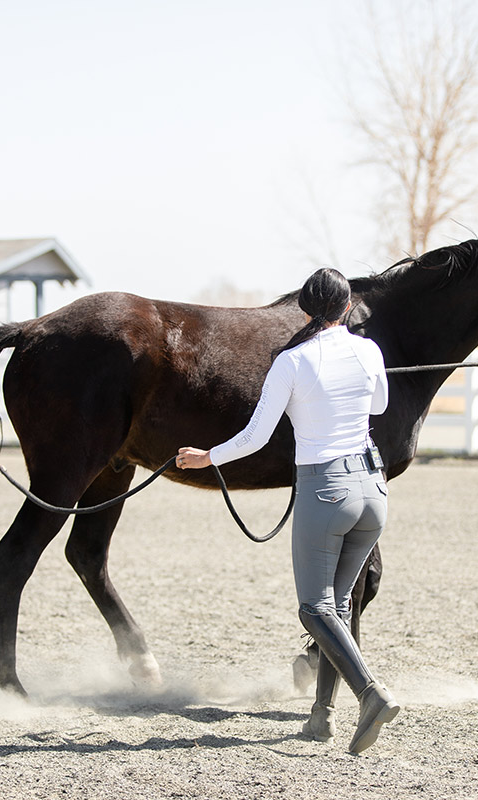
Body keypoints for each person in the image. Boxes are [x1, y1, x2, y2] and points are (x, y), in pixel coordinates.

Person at [176, 267, 400, 755]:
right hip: (373, 491)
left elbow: (255, 437)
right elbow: (379, 405)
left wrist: (206, 457)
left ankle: (371, 694)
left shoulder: (292, 362)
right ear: (347, 308)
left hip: (327, 492)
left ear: (303, 309)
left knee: (314, 608)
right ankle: (322, 718)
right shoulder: (370, 350)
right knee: (337, 609)